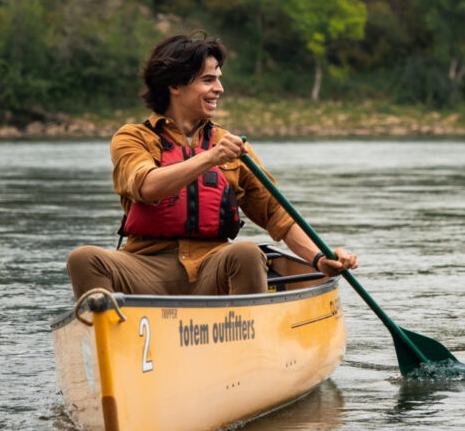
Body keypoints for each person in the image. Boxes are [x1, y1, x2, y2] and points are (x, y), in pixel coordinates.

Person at [66, 33, 357, 300]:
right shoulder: (132, 137)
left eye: (218, 78)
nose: (219, 88)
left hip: (212, 268)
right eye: (208, 80)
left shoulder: (231, 145)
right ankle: (113, 342)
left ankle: (246, 341)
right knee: (82, 258)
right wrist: (210, 158)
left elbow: (277, 215)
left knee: (246, 252)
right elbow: (147, 186)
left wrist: (320, 258)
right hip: (145, 268)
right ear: (175, 85)